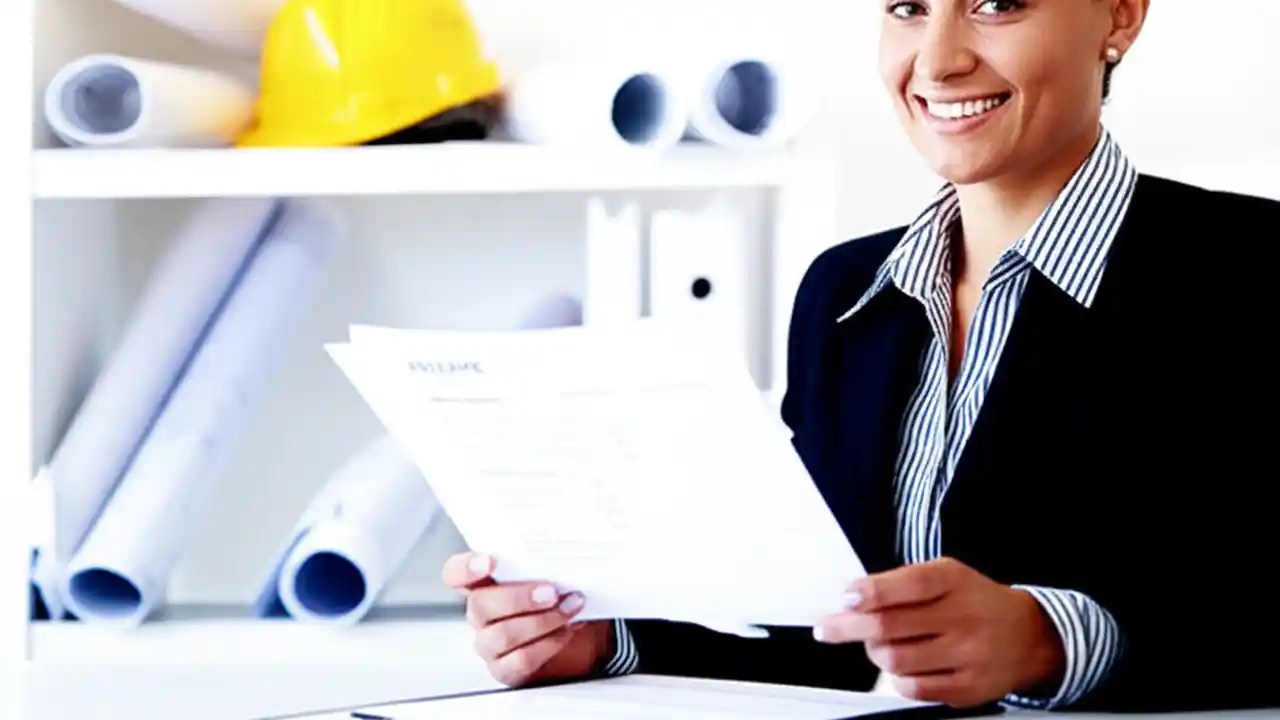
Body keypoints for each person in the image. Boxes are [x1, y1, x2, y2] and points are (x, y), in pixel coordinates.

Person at [444, 0, 1280, 712]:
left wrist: (1051, 642)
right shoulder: (845, 295)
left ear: (1121, 16)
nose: (940, 59)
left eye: (997, 4)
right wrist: (605, 637)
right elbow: (829, 630)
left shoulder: (1250, 272)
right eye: (909, 8)